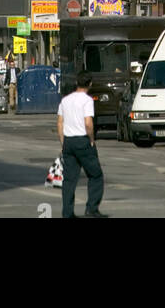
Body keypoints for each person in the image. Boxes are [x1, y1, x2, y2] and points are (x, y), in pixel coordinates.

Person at [57, 71, 108, 219]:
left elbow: (60, 122)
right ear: (90, 84)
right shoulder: (87, 100)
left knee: (69, 179)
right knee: (95, 174)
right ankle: (91, 209)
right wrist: (91, 139)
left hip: (68, 141)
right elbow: (88, 122)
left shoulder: (65, 100)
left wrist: (63, 141)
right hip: (83, 140)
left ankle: (67, 212)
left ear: (76, 83)